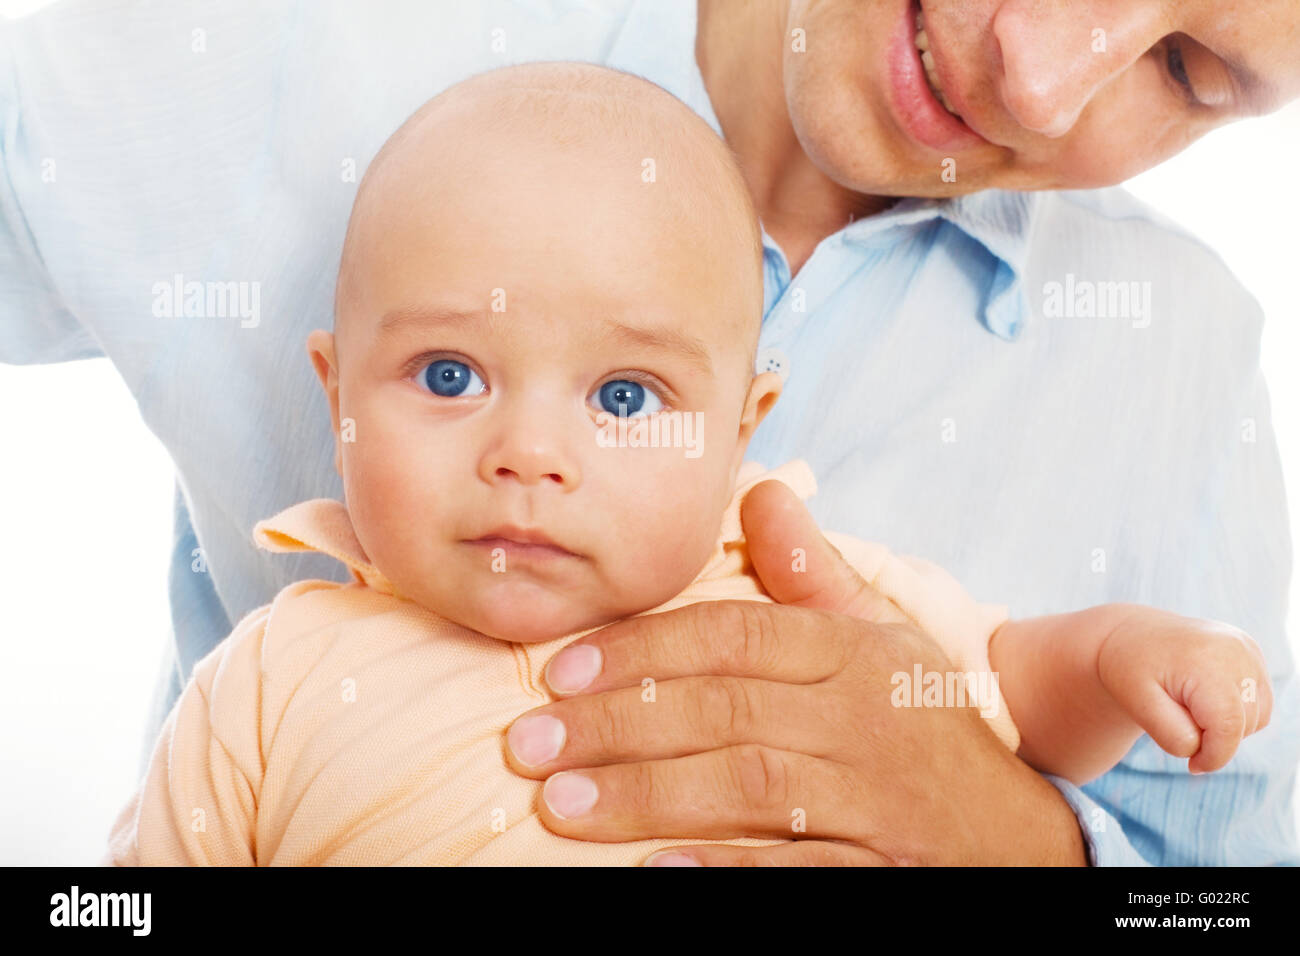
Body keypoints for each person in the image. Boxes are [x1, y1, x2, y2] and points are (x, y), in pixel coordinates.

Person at [2, 0, 1298, 865]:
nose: (1039, 70)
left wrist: (1024, 840)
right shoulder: (291, 40)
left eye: (1185, 68)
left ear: (747, 429)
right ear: (335, 383)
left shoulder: (1179, 358)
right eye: (448, 372)